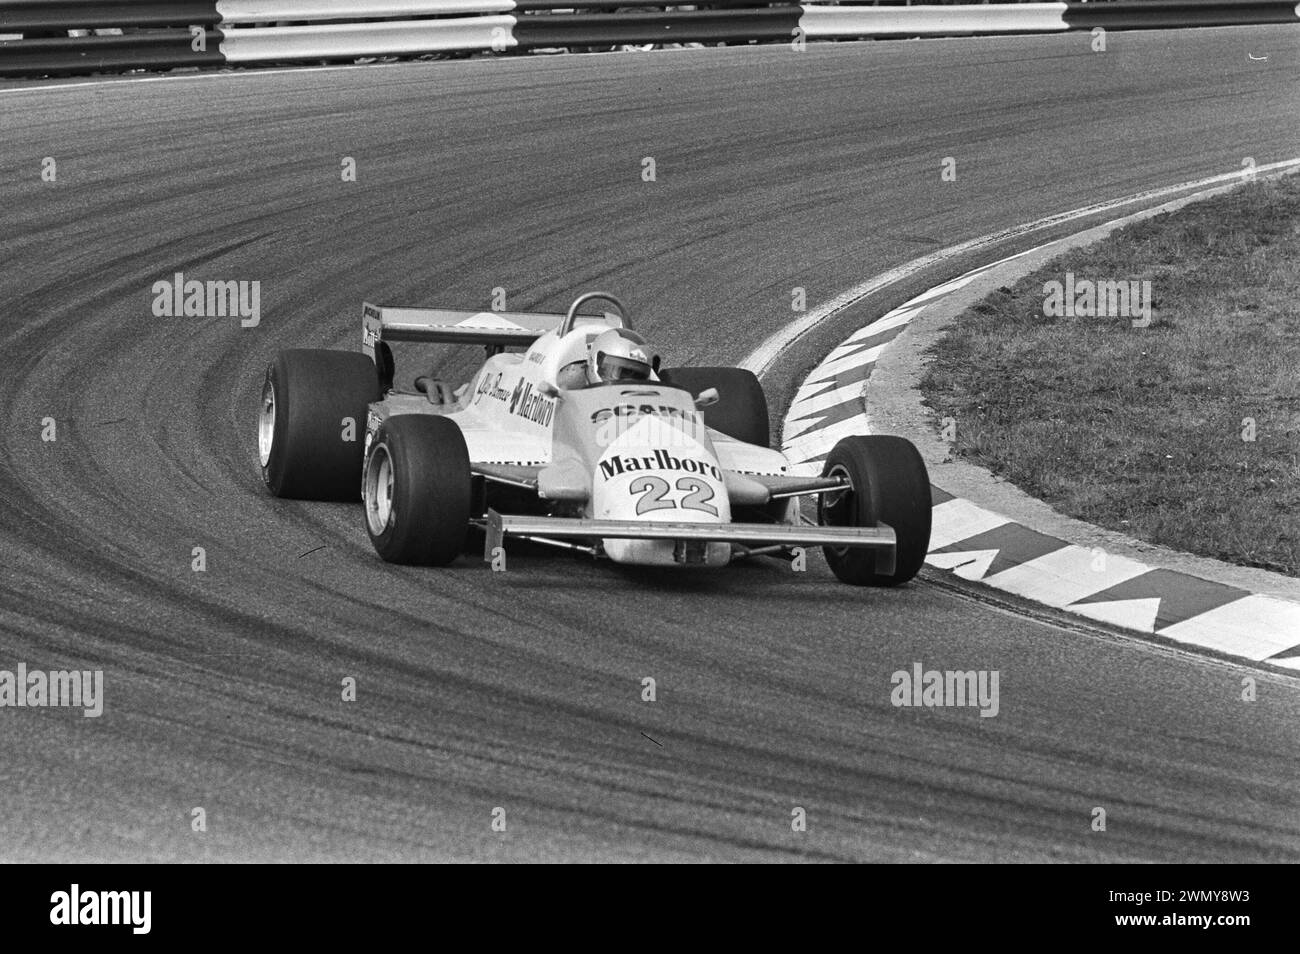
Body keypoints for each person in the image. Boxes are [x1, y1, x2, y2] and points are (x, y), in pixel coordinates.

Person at [558, 328, 660, 389]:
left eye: (637, 376)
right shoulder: (568, 383)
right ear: (594, 362)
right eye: (621, 373)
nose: (627, 382)